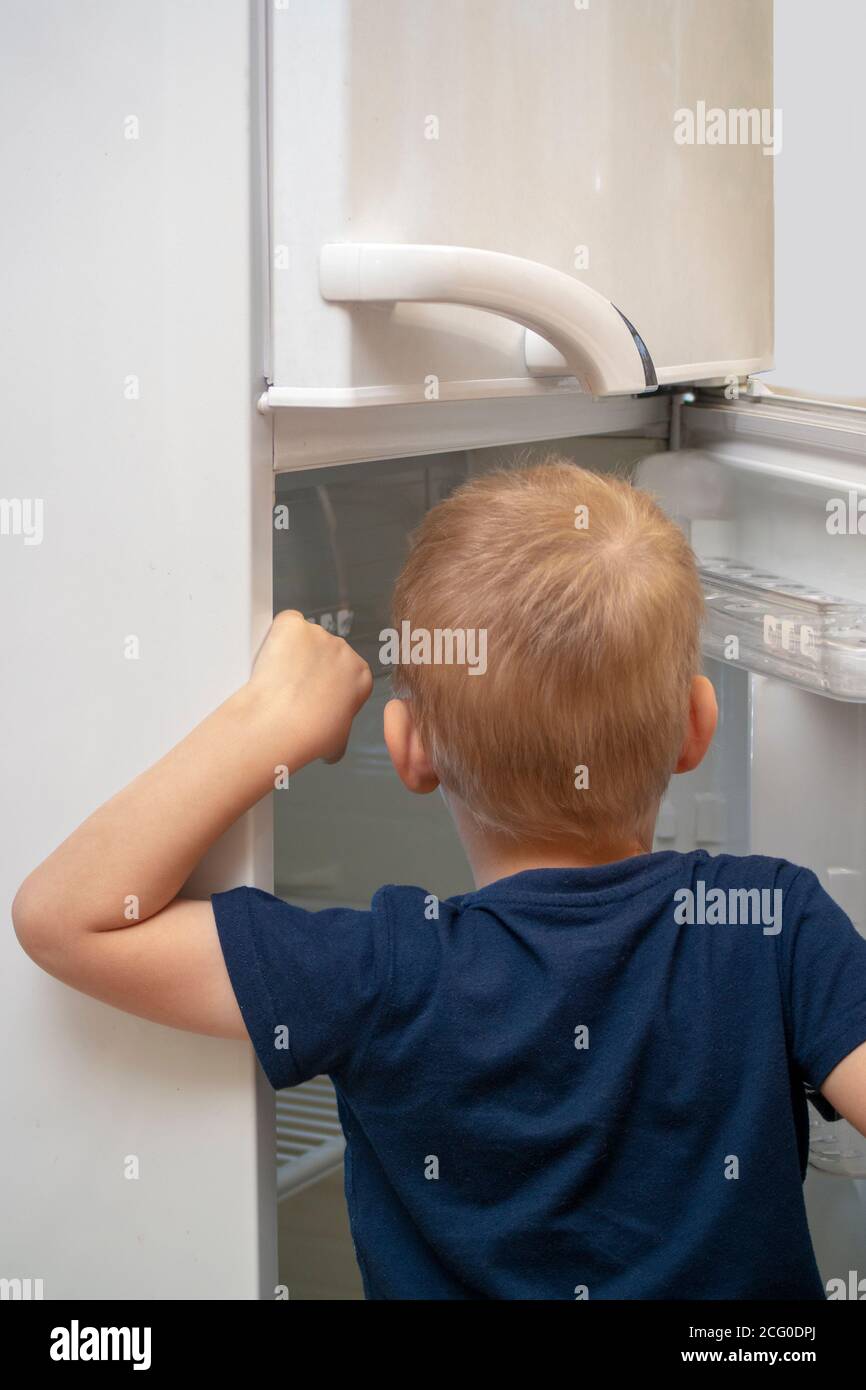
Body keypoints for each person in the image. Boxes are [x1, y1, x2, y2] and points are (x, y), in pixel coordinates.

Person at [13, 460, 866, 1299]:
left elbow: (68, 918)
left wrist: (271, 722)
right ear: (695, 726)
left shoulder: (385, 975)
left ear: (409, 750)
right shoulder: (772, 922)